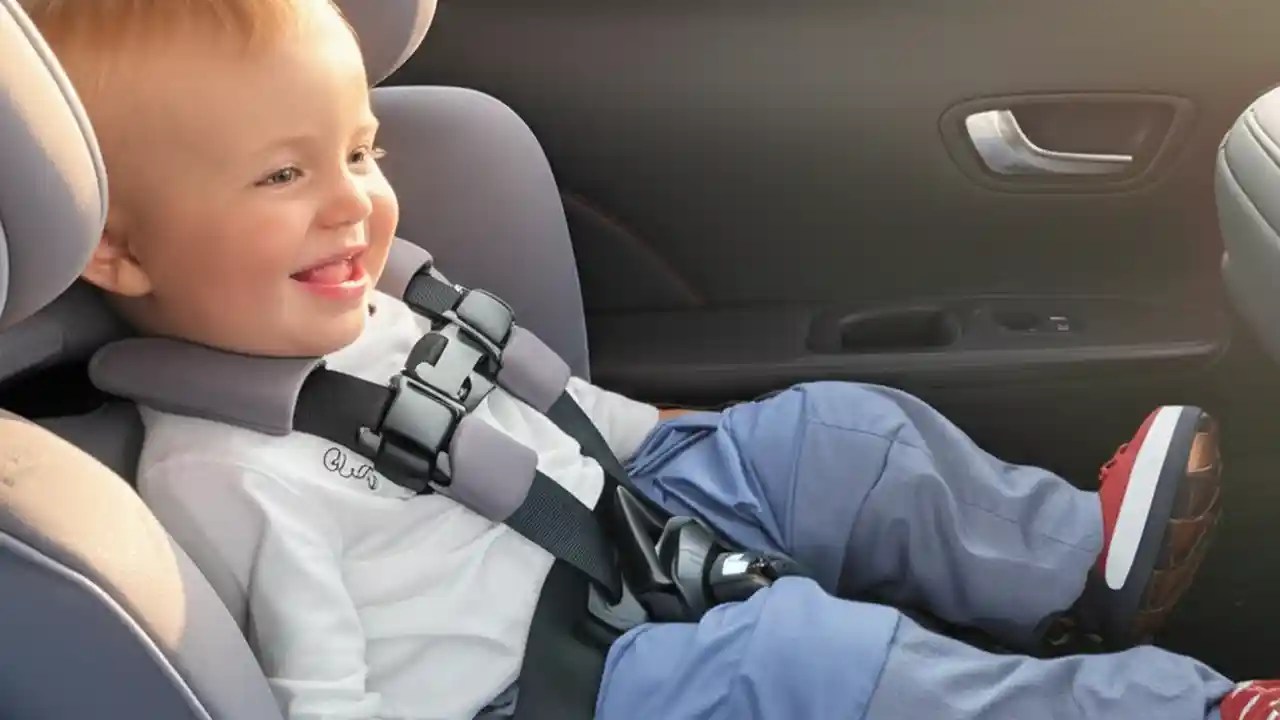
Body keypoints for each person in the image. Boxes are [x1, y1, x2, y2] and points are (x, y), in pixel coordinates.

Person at [19, 0, 1274, 717]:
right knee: (804, 663)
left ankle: (1070, 571)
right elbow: (319, 680)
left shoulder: (358, 303)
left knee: (837, 431)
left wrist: (664, 439)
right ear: (115, 248)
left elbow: (544, 412)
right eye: (283, 176)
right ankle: (1172, 709)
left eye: (360, 154)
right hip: (565, 683)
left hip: (623, 520)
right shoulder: (216, 472)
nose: (351, 205)